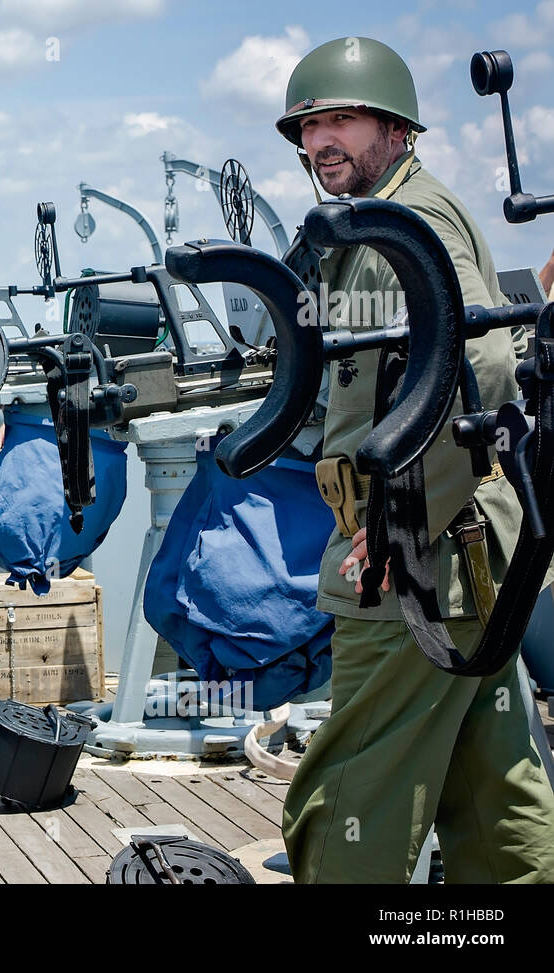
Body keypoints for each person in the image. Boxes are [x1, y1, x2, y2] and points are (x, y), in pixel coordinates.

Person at [274, 37, 554, 883]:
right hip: (473, 559)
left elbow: (488, 362)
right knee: (493, 789)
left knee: (355, 788)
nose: (323, 140)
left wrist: (406, 519)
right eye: (311, 124)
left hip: (417, 564)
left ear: (396, 129)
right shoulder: (380, 220)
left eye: (344, 119)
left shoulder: (412, 222)